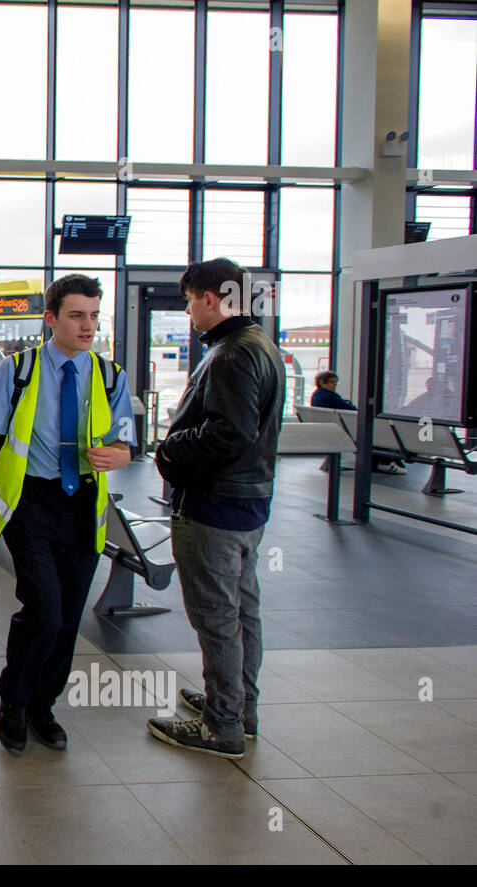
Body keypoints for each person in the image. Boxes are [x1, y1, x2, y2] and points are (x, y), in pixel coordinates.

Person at [0, 274, 135, 754]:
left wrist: (120, 455)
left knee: (68, 617)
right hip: (31, 502)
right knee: (43, 609)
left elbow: (125, 442)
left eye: (93, 316)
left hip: (83, 505)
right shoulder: (18, 369)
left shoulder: (111, 376)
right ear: (51, 319)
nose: (88, 326)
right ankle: (14, 700)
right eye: (77, 315)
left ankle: (44, 703)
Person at [150, 258, 285, 759]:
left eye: (188, 300)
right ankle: (238, 706)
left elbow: (229, 432)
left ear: (210, 297)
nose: (187, 311)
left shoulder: (231, 355)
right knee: (242, 610)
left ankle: (222, 725)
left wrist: (168, 452)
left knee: (216, 617)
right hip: (248, 503)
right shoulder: (262, 346)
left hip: (213, 506)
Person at [311, 370, 405, 473]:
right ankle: (386, 462)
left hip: (331, 430)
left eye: (336, 382)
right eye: (332, 382)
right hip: (344, 432)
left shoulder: (317, 396)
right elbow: (351, 409)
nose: (335, 385)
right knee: (378, 435)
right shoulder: (330, 396)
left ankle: (386, 462)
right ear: (322, 382)